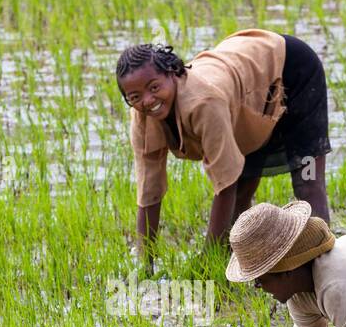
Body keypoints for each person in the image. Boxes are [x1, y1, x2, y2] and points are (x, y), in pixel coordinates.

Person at [116, 29, 332, 256]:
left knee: (307, 180)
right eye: (135, 97)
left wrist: (209, 258)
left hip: (290, 69)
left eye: (154, 87)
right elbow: (149, 190)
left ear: (172, 74)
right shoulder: (142, 117)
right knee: (239, 196)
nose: (148, 101)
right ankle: (249, 263)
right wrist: (145, 261)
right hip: (243, 93)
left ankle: (325, 256)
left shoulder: (205, 103)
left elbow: (224, 186)